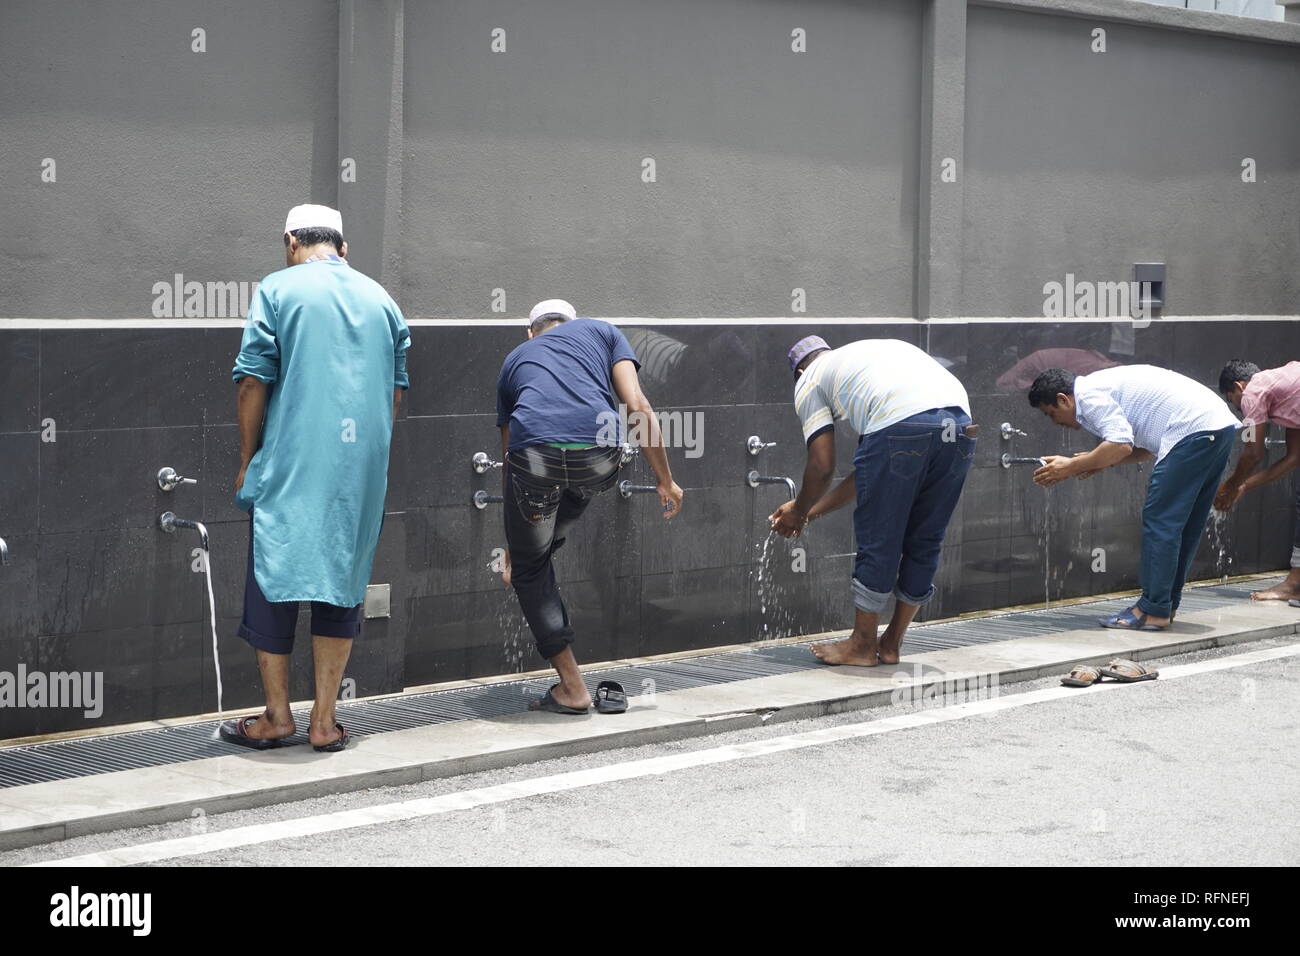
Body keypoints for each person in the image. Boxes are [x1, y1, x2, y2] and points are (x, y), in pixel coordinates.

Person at [220, 204, 410, 752]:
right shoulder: (383, 300)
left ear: (290, 240)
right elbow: (395, 391)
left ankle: (277, 717)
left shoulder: (278, 289)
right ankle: (324, 723)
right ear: (344, 248)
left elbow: (252, 380)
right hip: (361, 469)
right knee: (342, 584)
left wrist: (247, 456)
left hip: (292, 460)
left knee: (273, 578)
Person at [498, 299, 683, 714]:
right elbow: (637, 407)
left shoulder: (514, 359)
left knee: (530, 567)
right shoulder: (602, 332)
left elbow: (510, 457)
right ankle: (543, 541)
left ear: (531, 332)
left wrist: (516, 537)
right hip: (597, 457)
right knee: (580, 486)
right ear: (573, 324)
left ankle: (572, 688)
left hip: (535, 460)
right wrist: (664, 479)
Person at [770, 336, 976, 666]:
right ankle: (891, 643)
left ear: (799, 371)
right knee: (925, 539)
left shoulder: (809, 379)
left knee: (880, 537)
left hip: (902, 422)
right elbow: (868, 473)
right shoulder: (865, 362)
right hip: (961, 424)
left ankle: (862, 645)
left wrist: (797, 510)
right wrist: (808, 512)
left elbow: (822, 465)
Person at [1029, 365, 1238, 631]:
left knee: (1160, 521)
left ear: (1063, 399)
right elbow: (1138, 450)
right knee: (1183, 525)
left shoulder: (1088, 396)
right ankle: (1165, 605)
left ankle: (1151, 609)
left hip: (1192, 431)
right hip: (1218, 429)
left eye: (1052, 414)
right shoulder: (1101, 386)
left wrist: (1070, 467)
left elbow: (1120, 444)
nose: (1055, 421)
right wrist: (1096, 462)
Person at [1214, 359, 1300, 601]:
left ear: (1238, 387)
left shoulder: (1252, 393)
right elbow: (1294, 458)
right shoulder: (1287, 390)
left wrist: (1228, 488)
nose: (1240, 409)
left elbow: (1253, 453)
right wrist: (1243, 486)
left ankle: (1295, 585)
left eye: (1233, 402)